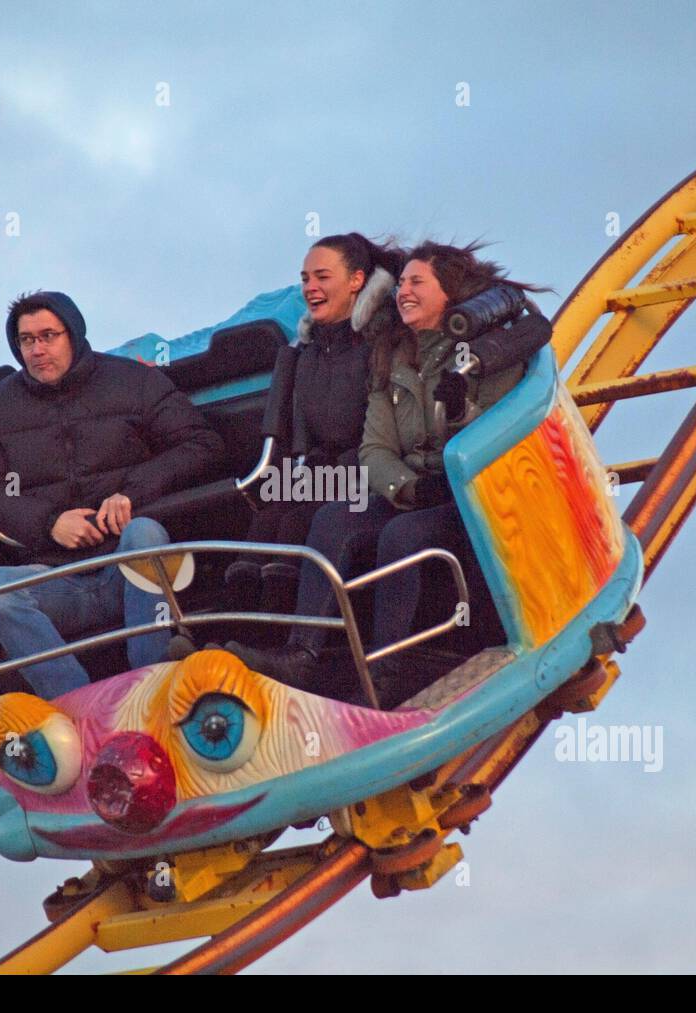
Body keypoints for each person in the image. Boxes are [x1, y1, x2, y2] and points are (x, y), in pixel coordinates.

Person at [226, 242, 551, 708]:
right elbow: (375, 447)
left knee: (400, 535)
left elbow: (498, 432)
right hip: (416, 489)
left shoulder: (488, 353)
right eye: (400, 283)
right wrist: (408, 485)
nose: (404, 291)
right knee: (335, 517)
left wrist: (459, 418)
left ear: (449, 291)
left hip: (470, 495)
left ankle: (387, 670)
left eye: (417, 282)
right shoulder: (396, 358)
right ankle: (303, 653)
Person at [0, 290, 225, 699]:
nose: (37, 349)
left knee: (145, 534)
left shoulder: (131, 381)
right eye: (26, 340)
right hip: (59, 576)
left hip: (131, 564)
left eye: (48, 335)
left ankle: (150, 692)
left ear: (74, 335)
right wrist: (50, 525)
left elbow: (200, 444)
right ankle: (81, 709)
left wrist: (131, 495)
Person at [224, 232, 404, 612]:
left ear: (356, 281)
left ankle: (278, 638)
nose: (310, 287)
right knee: (265, 518)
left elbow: (385, 434)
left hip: (371, 470)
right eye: (305, 278)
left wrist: (324, 474)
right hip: (325, 471)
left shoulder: (383, 343)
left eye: (322, 276)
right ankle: (228, 635)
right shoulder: (305, 354)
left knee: (295, 522)